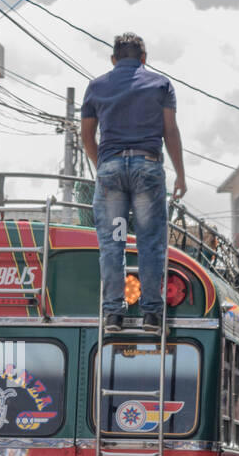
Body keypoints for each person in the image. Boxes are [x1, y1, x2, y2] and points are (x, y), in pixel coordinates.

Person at [80, 32, 187, 334]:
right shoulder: (161, 84)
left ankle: (113, 314)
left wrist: (103, 165)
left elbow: (87, 135)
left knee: (112, 244)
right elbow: (171, 131)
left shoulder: (96, 86)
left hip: (111, 170)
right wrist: (180, 173)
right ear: (144, 58)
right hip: (147, 167)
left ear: (113, 60)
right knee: (150, 244)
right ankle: (152, 315)